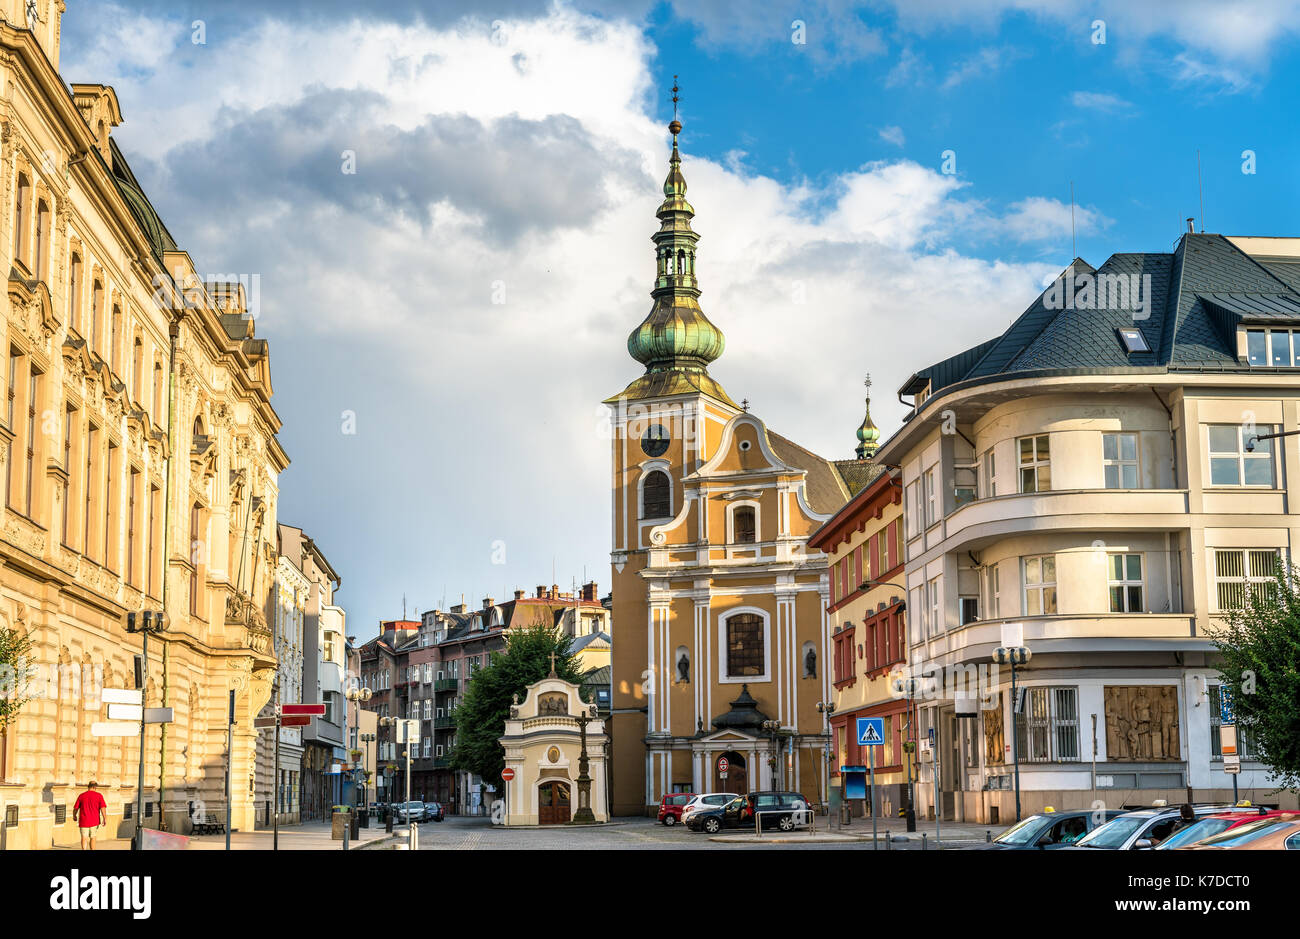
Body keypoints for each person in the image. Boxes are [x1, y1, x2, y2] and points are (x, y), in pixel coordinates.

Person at [72, 781, 107, 850]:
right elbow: (103, 808)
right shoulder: (99, 795)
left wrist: (74, 815)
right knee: (93, 837)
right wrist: (104, 818)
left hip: (84, 821)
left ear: (88, 786)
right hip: (94, 821)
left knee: (84, 837)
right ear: (95, 787)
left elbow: (76, 808)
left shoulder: (81, 795)